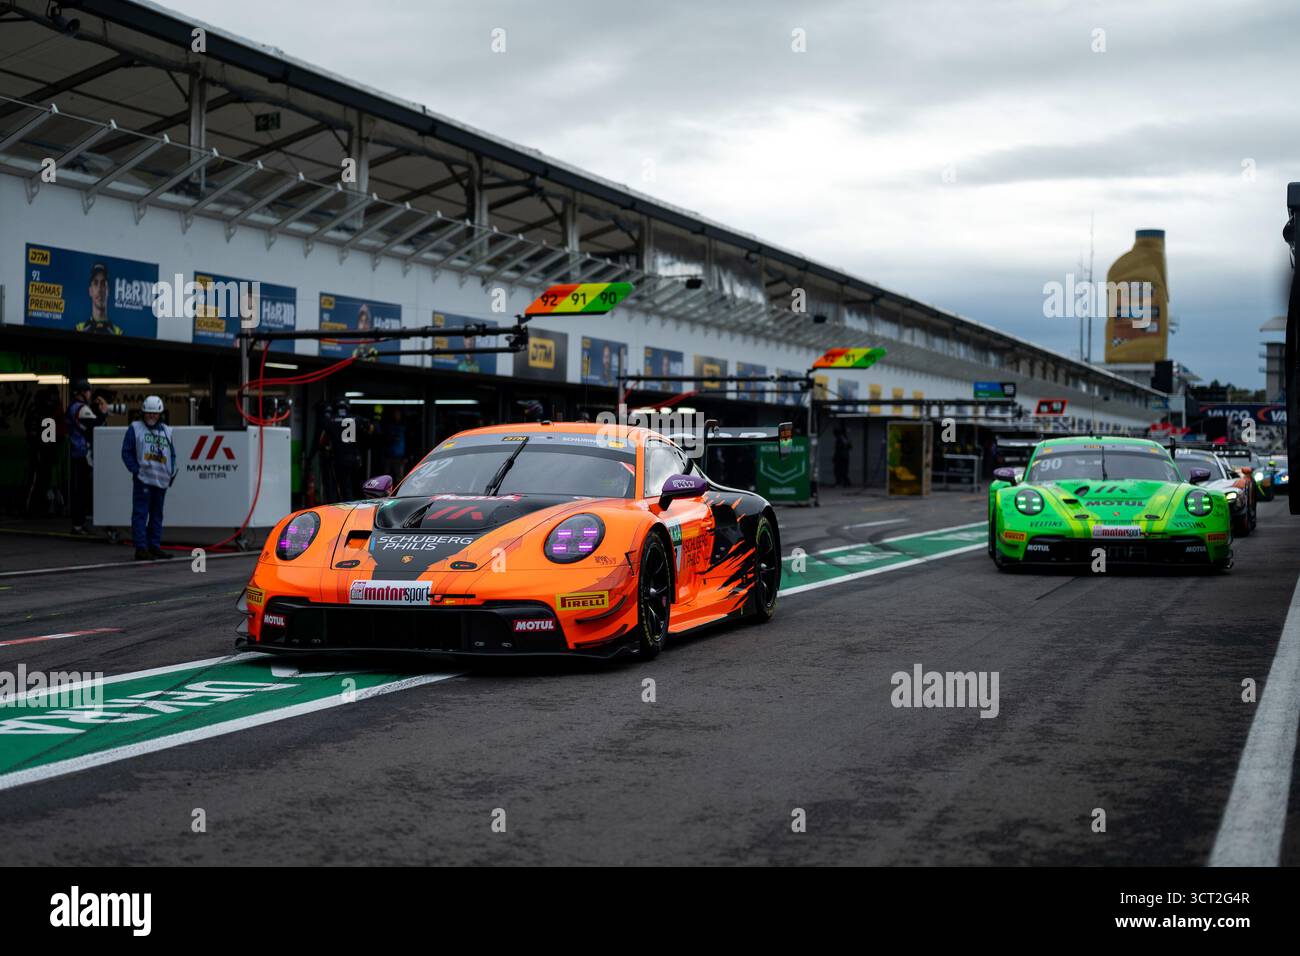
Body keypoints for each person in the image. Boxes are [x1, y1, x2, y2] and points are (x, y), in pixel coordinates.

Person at [121, 395, 177, 560]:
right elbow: (126, 452)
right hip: (143, 480)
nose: (151, 416)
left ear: (160, 414)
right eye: (148, 413)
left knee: (157, 514)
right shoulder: (135, 428)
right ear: (143, 413)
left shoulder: (167, 430)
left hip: (161, 481)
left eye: (155, 413)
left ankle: (154, 546)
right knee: (141, 513)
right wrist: (136, 470)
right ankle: (141, 548)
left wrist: (171, 471)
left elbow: (172, 454)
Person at [66, 378, 106, 534]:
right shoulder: (80, 408)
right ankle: (78, 524)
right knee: (82, 490)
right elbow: (95, 425)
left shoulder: (74, 407)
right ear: (82, 393)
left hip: (78, 453)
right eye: (88, 391)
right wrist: (103, 412)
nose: (90, 393)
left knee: (81, 490)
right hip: (82, 454)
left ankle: (79, 523)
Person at [75, 262, 124, 334]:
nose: (99, 289)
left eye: (103, 283)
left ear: (108, 290)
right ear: (90, 291)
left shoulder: (118, 332)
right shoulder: (79, 329)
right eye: (95, 283)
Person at [832, 421, 852, 488]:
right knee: (840, 470)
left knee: (840, 470)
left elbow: (846, 447)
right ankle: (844, 482)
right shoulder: (843, 438)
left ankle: (843, 483)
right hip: (842, 456)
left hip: (842, 457)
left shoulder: (842, 438)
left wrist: (835, 457)